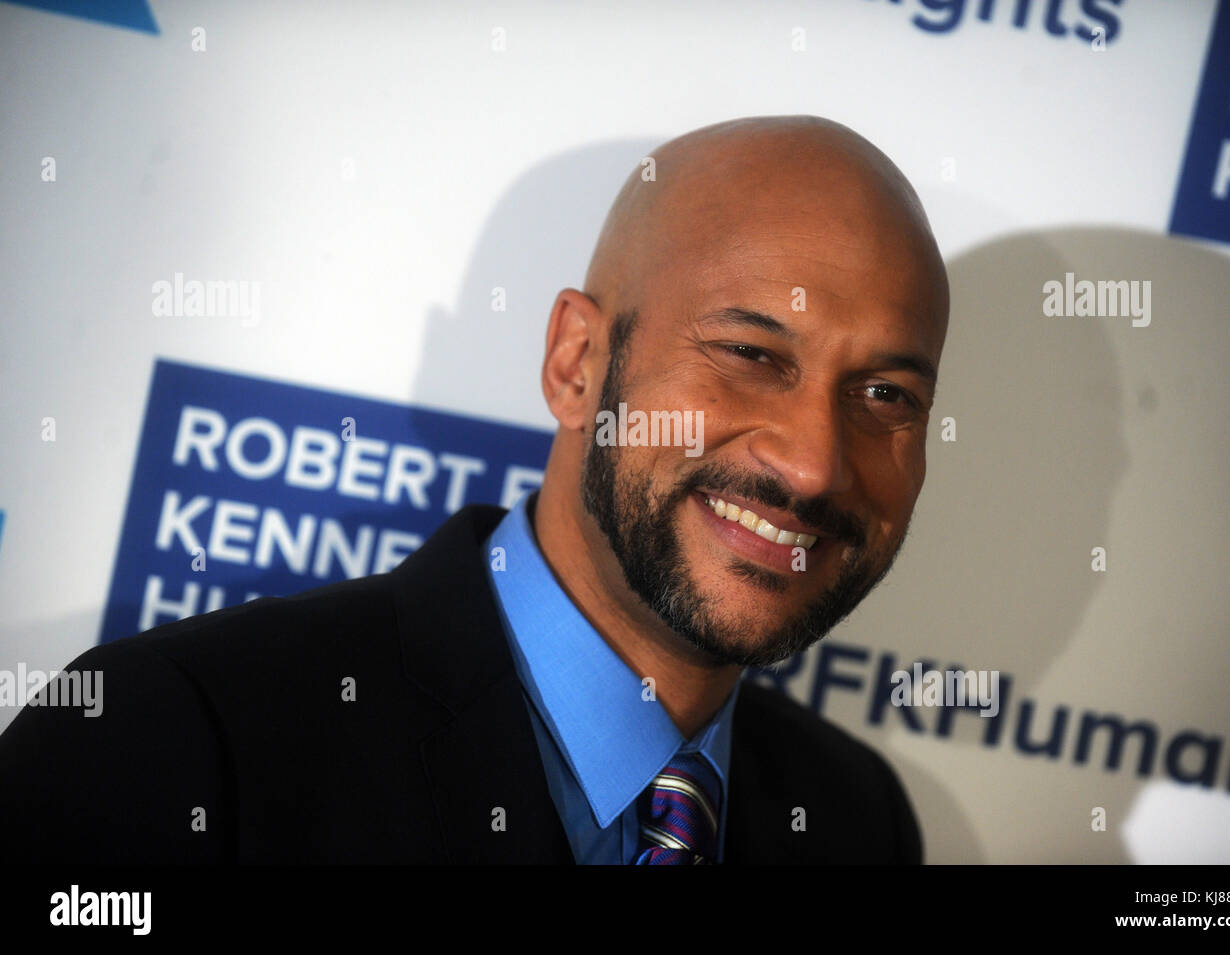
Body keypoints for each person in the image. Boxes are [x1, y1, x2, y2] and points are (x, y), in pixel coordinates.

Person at [0, 115, 947, 864]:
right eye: (749, 353)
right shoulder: (172, 742)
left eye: (884, 395)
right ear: (577, 362)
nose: (814, 463)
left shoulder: (855, 821)